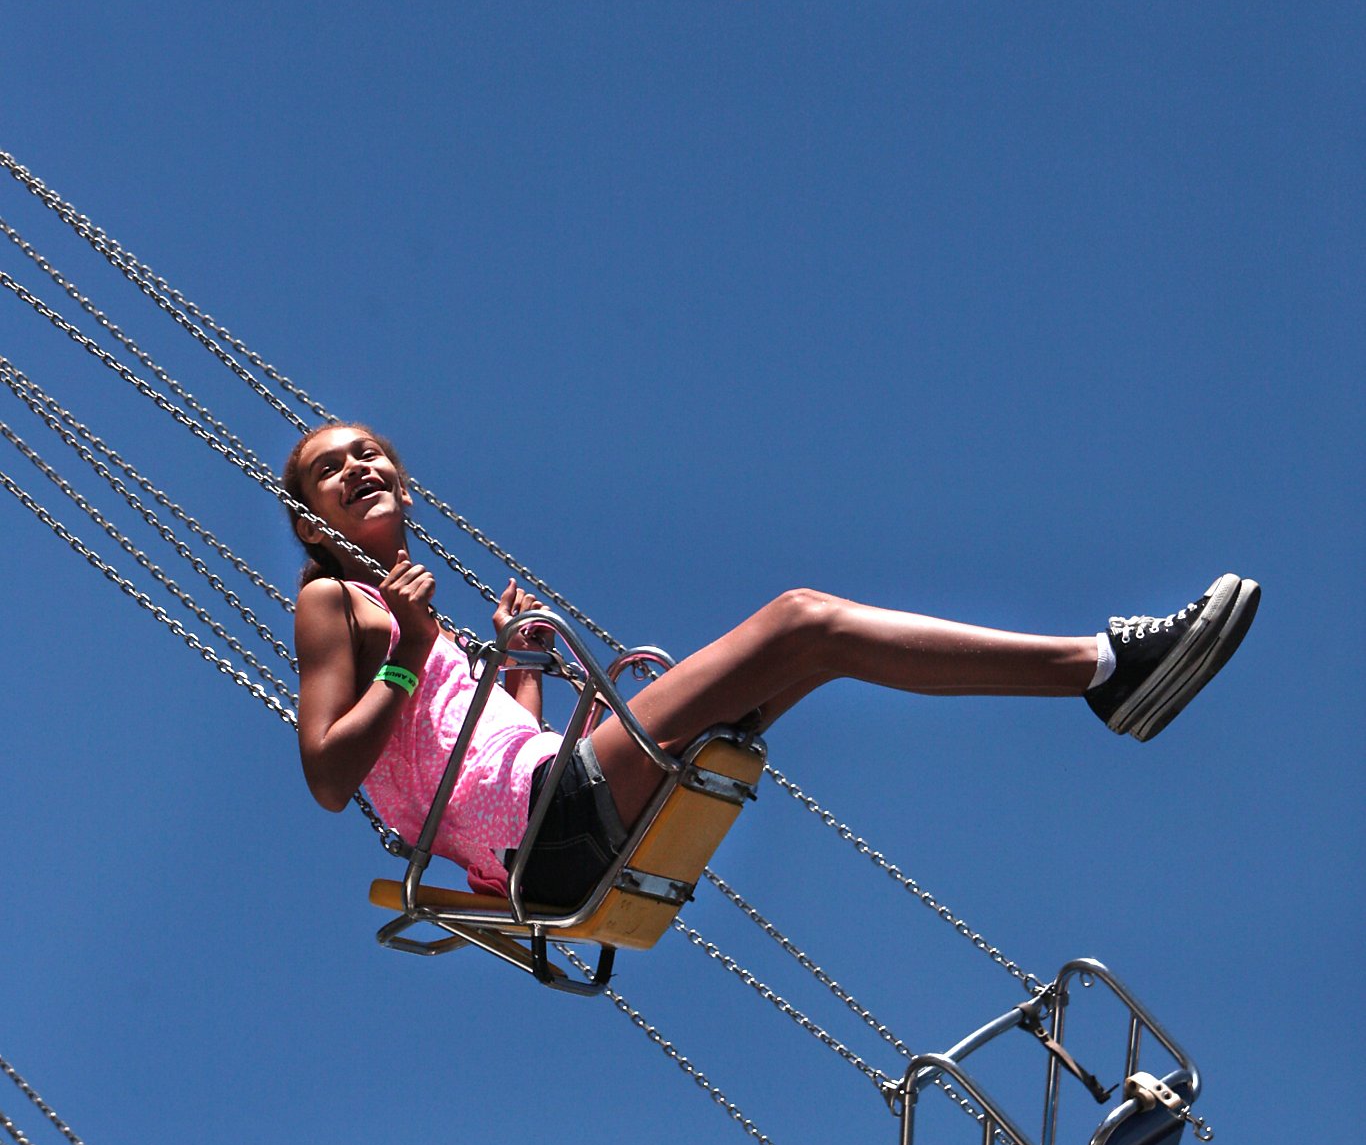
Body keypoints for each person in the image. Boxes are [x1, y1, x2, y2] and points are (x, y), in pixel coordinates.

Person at [289, 423, 1260, 909]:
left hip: (549, 821)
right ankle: (1104, 664)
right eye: (333, 468)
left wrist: (525, 666)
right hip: (550, 823)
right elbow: (332, 774)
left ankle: (1107, 675)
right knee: (799, 617)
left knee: (819, 645)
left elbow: (476, 760)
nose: (361, 467)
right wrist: (411, 660)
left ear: (406, 482)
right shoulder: (336, 601)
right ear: (307, 522)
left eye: (372, 453)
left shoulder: (412, 614)